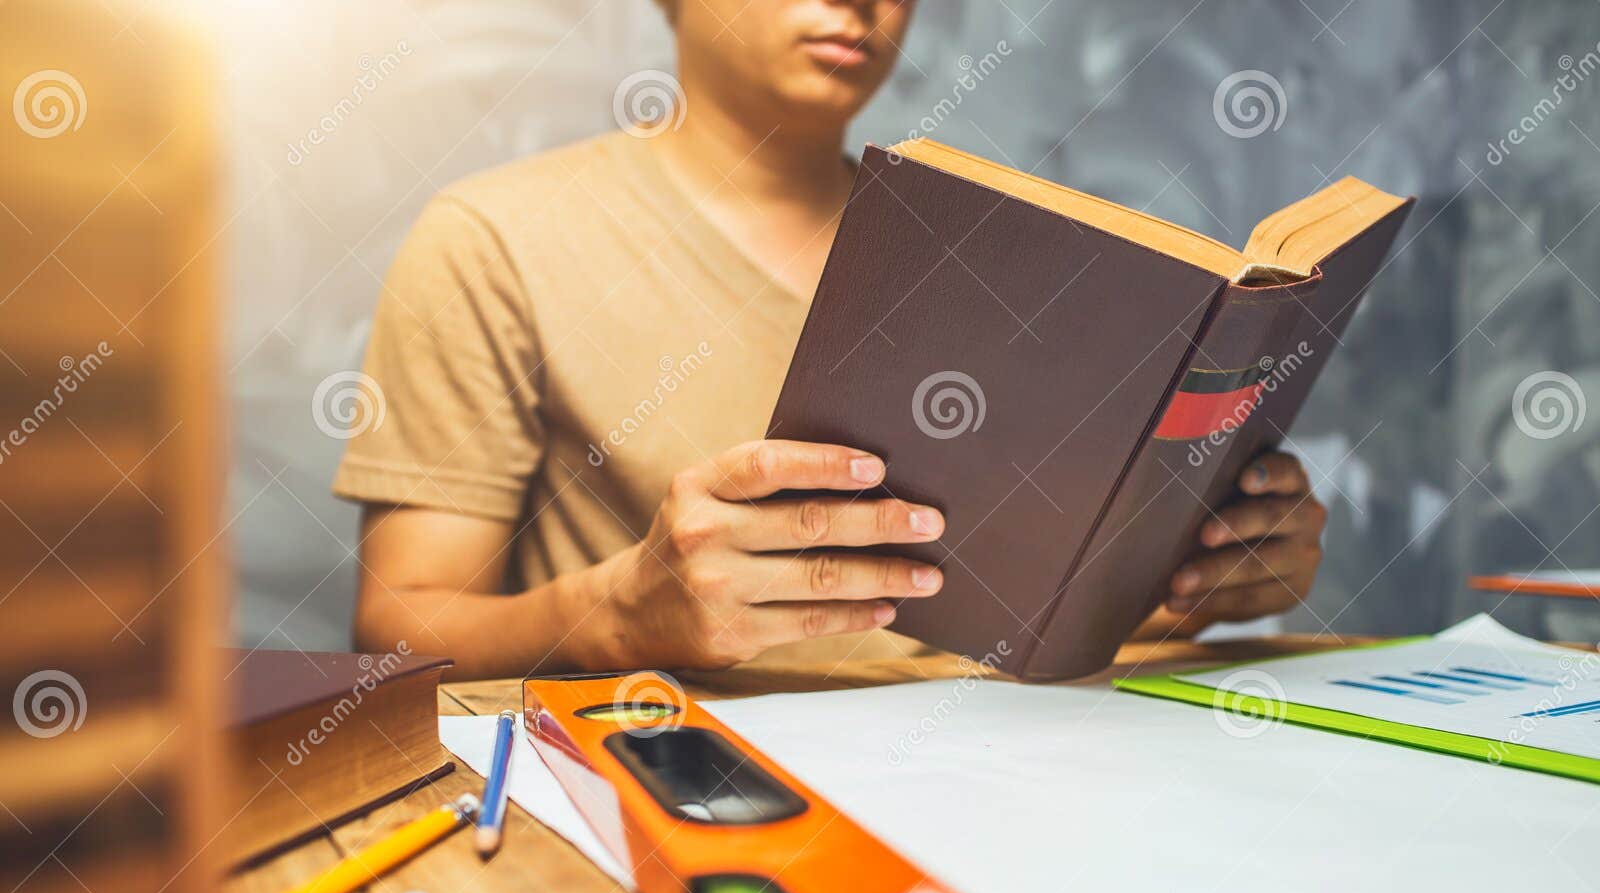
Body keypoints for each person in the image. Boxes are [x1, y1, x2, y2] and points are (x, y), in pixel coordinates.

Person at [333, 0, 1327, 680]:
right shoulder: (494, 238)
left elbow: (1008, 612)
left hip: (997, 790)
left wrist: (1203, 574)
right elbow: (395, 631)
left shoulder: (989, 263)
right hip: (697, 807)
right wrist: (622, 612)